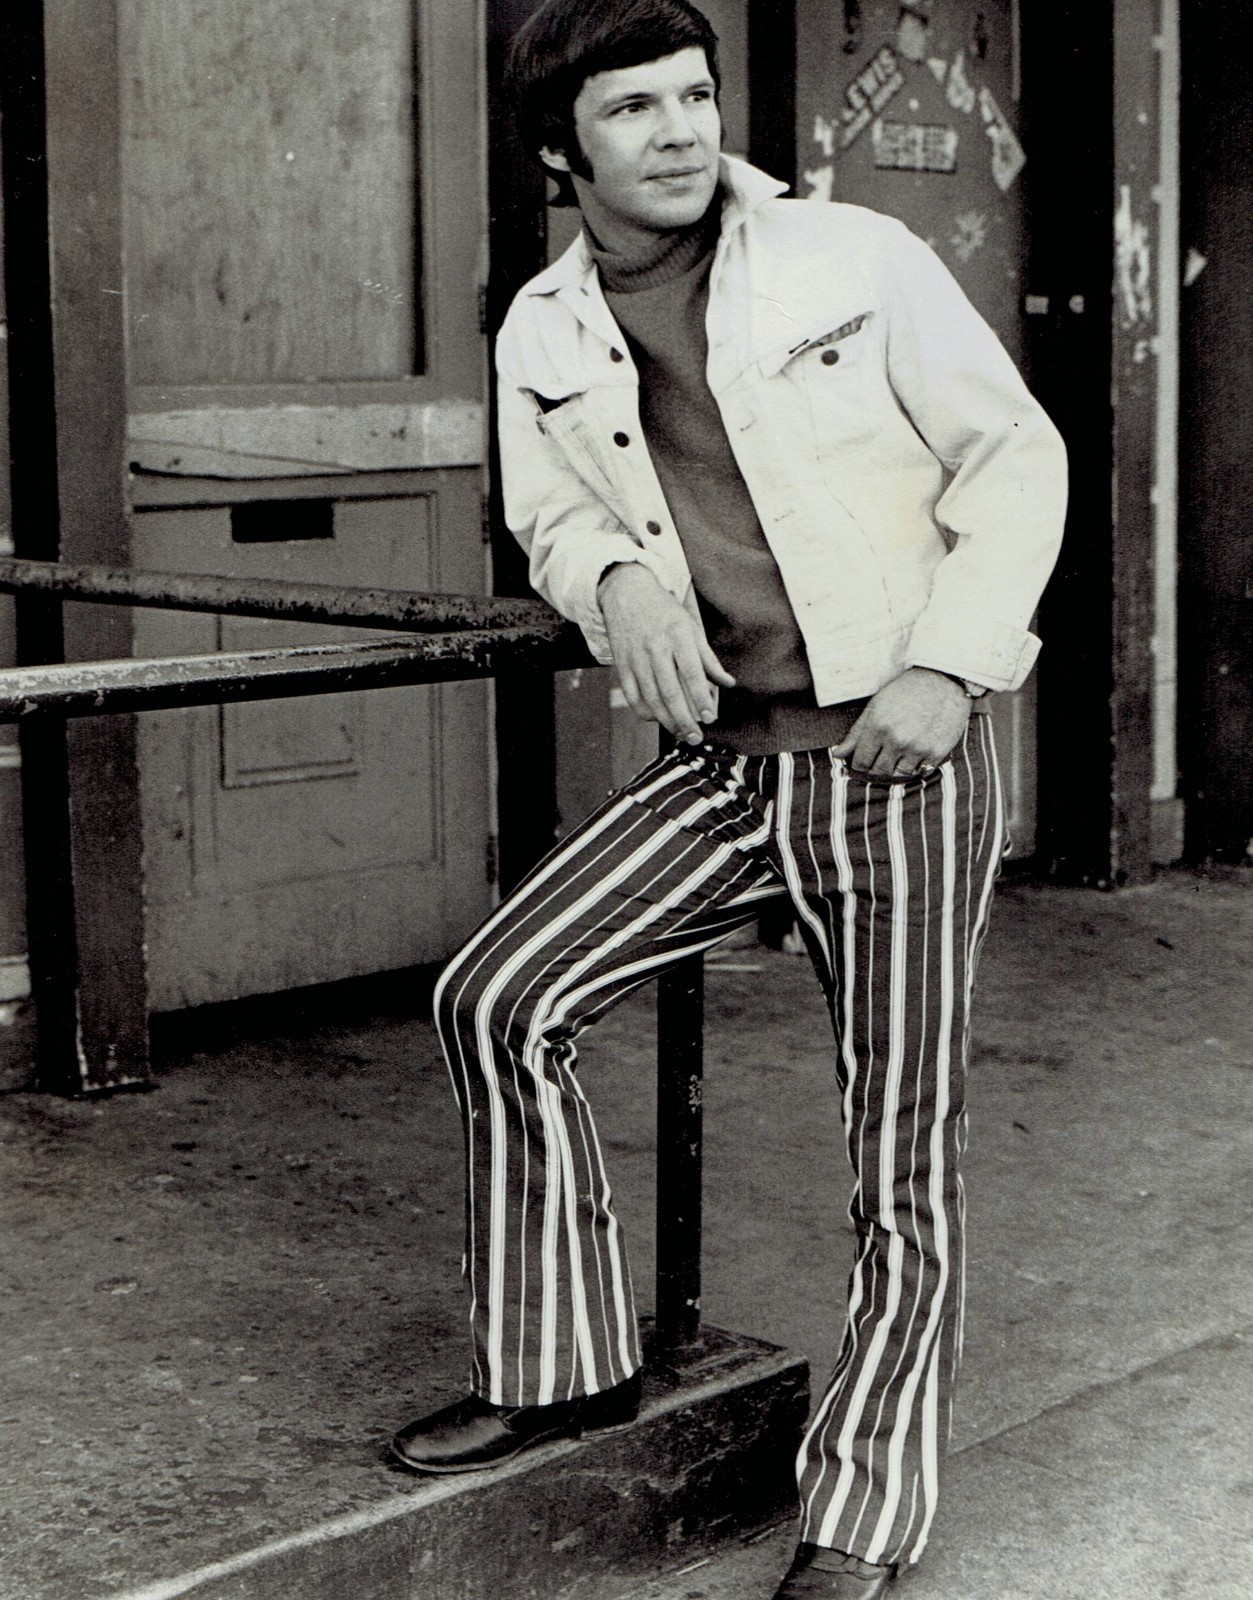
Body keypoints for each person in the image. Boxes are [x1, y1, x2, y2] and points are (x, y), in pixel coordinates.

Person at [390, 1, 1067, 1594]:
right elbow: (548, 512)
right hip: (716, 767)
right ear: (563, 150)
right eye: (633, 109)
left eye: (693, 95)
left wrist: (950, 667)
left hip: (891, 765)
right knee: (497, 995)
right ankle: (563, 1367)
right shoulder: (542, 325)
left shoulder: (857, 259)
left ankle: (865, 1511)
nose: (682, 130)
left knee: (896, 1154)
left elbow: (1015, 459)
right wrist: (614, 573)